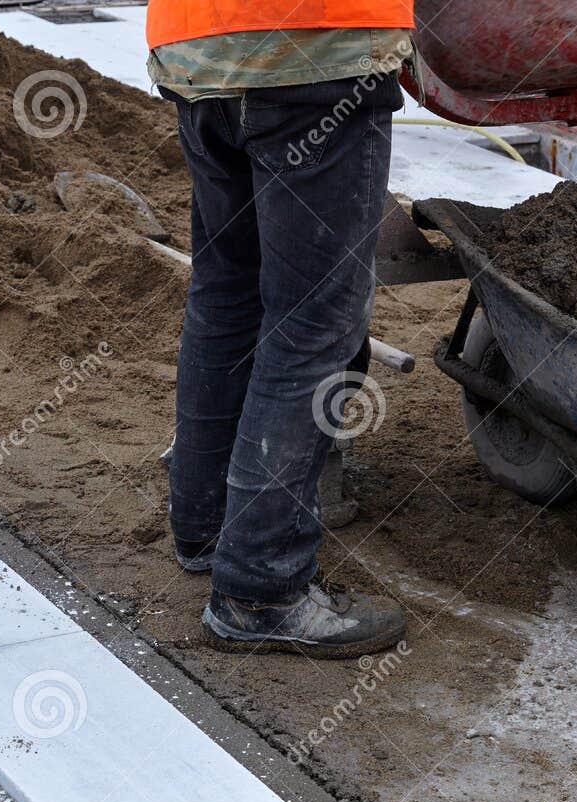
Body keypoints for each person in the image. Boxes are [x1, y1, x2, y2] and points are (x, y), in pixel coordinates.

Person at [147, 0, 412, 658]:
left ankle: (210, 530)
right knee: (314, 321)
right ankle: (261, 589)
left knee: (228, 293)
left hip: (198, 47)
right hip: (317, 45)